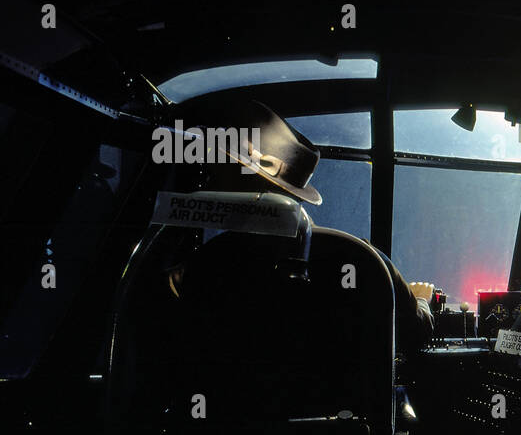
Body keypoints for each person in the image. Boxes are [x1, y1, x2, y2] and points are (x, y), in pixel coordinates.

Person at [175, 98, 438, 355]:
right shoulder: (359, 259)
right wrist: (422, 301)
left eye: (217, 170)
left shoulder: (210, 263)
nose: (208, 180)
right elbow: (415, 333)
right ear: (296, 192)